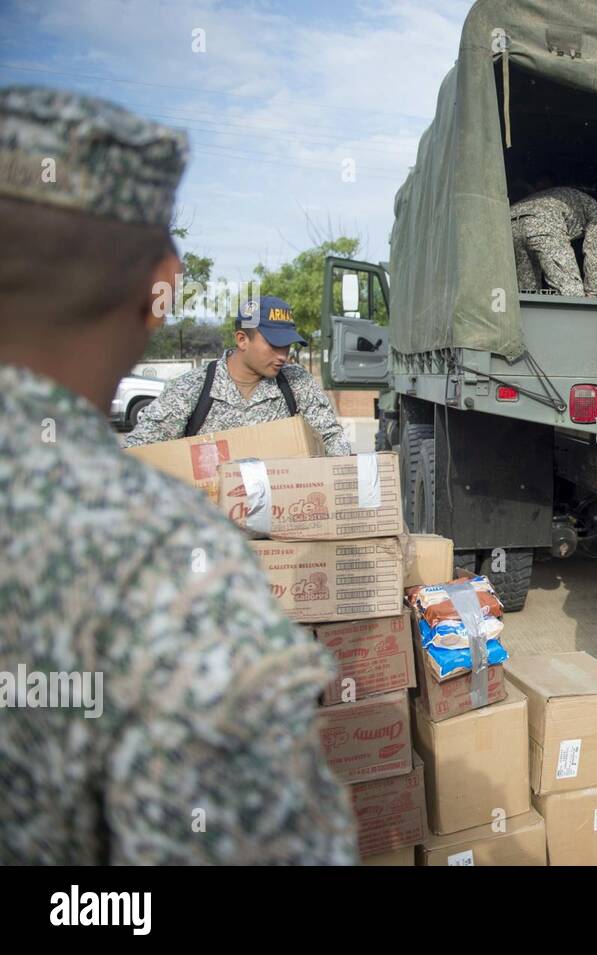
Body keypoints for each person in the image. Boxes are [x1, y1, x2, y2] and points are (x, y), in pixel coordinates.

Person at [0, 86, 357, 864]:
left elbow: (338, 461)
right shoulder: (182, 436)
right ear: (160, 287)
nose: (283, 351)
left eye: (290, 341)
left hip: (288, 563)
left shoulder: (301, 389)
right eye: (272, 339)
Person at [124, 295, 352, 454]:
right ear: (242, 339)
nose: (283, 355)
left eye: (287, 346)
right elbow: (139, 452)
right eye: (274, 345)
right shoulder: (192, 389)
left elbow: (331, 439)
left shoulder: (296, 383)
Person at [510, 185, 597, 298]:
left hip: (511, 221)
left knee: (527, 293)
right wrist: (591, 293)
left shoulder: (568, 195)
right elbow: (594, 253)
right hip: (544, 222)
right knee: (571, 294)